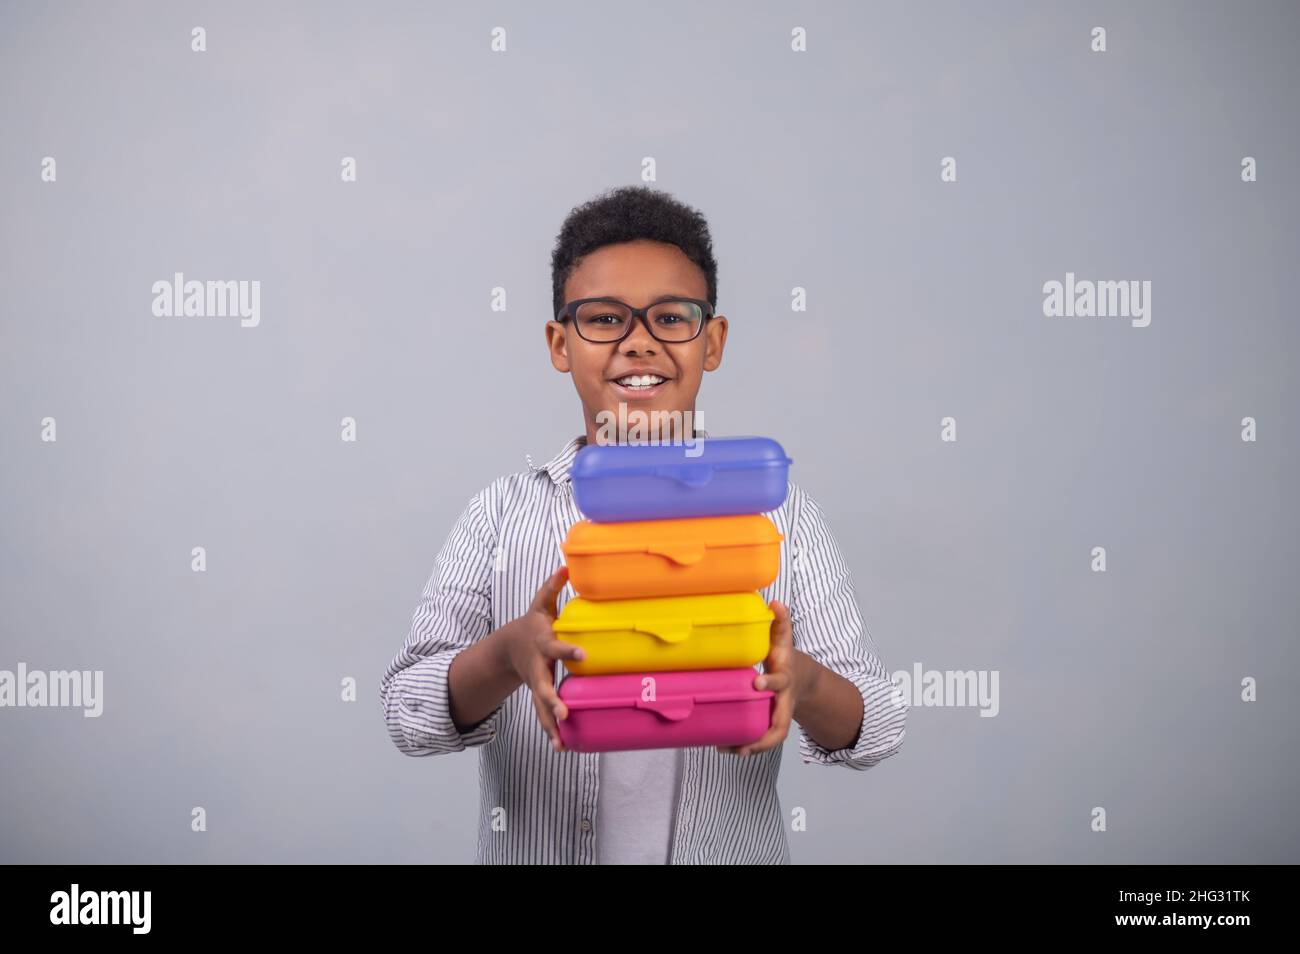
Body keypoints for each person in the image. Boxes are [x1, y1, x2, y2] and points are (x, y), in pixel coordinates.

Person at [380, 185, 907, 864]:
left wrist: (801, 683)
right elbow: (407, 716)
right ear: (559, 343)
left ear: (712, 341)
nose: (638, 343)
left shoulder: (783, 519)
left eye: (671, 317)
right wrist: (507, 653)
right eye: (604, 319)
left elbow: (879, 726)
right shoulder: (499, 517)